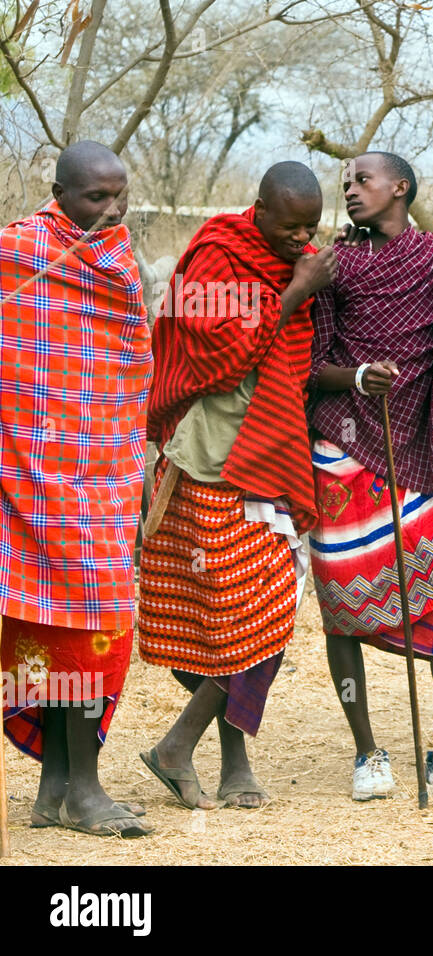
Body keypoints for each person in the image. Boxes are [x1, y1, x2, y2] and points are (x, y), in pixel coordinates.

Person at [137, 161, 335, 810]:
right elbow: (221, 362)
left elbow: (304, 357)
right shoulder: (217, 257)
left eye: (310, 226)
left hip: (273, 451)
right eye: (288, 226)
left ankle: (191, 748)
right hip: (213, 455)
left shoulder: (298, 260)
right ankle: (222, 755)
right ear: (258, 208)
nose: (300, 238)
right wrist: (294, 293)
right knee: (220, 618)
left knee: (267, 613)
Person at [307, 151, 433, 804]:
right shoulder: (338, 263)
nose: (351, 190)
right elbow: (312, 364)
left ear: (400, 188)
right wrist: (360, 376)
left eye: (363, 180)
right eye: (347, 182)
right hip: (342, 446)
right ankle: (367, 751)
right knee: (340, 606)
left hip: (413, 449)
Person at [0, 141, 153, 837]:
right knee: (61, 633)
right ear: (57, 190)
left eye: (119, 196)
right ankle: (77, 790)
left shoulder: (119, 260)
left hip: (104, 478)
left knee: (94, 627)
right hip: (30, 479)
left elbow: (130, 366)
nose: (112, 210)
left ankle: (60, 788)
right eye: (96, 198)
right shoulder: (17, 253)